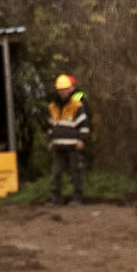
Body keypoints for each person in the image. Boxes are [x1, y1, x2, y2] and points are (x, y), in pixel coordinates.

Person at [43, 73, 91, 205]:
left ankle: (77, 198)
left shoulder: (77, 105)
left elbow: (84, 125)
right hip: (58, 145)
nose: (63, 92)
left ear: (70, 89)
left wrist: (82, 140)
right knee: (56, 173)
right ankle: (56, 199)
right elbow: (50, 126)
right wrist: (50, 141)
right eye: (60, 89)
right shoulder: (52, 107)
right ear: (57, 90)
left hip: (73, 144)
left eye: (65, 89)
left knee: (76, 172)